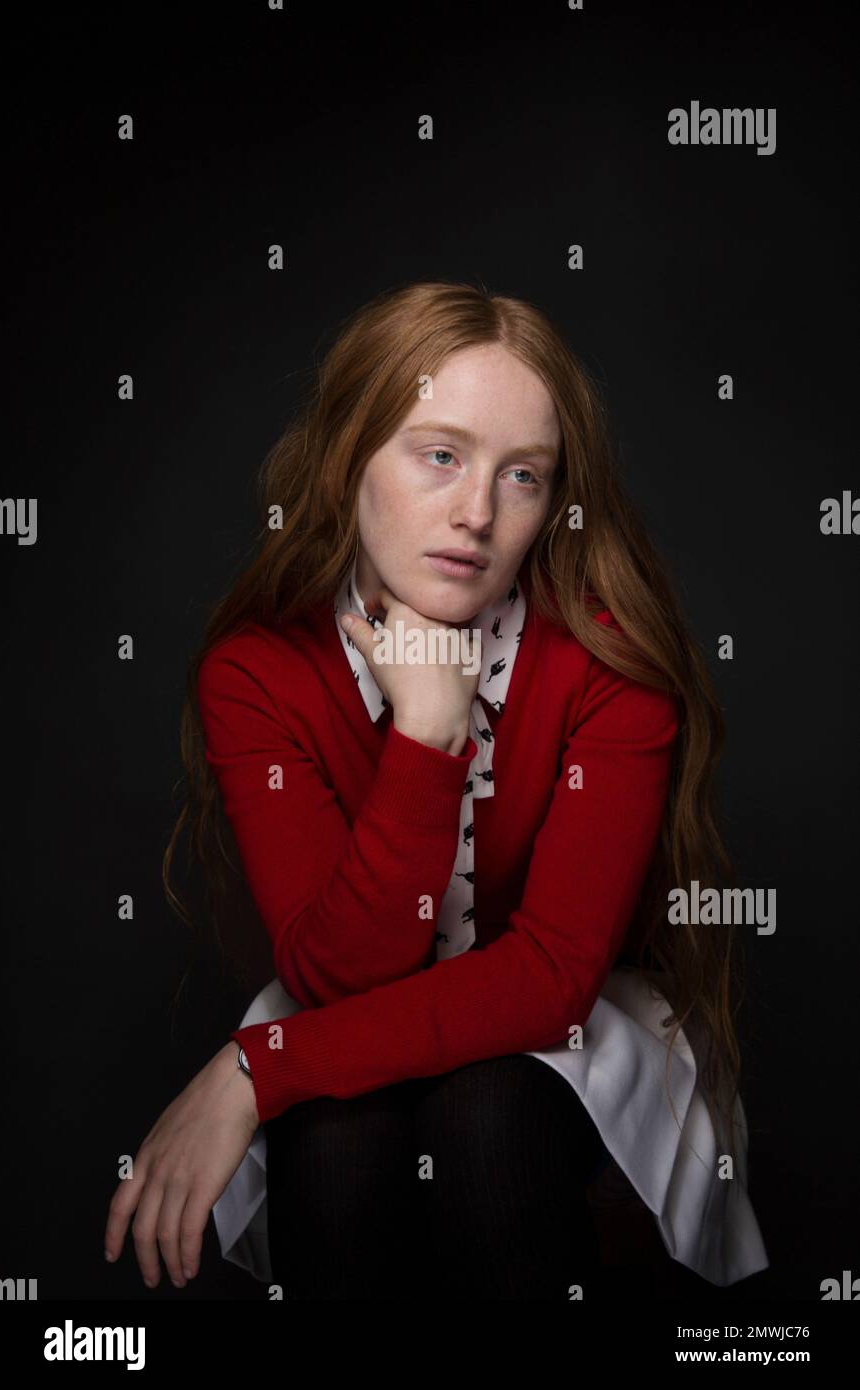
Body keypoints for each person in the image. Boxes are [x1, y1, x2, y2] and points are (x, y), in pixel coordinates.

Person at [104, 279, 769, 1299]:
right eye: (440, 455)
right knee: (337, 1134)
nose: (475, 514)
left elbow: (546, 977)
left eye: (523, 476)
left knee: (483, 1114)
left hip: (562, 1034)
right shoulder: (259, 669)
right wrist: (425, 732)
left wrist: (253, 1066)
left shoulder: (607, 665)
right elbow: (337, 973)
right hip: (341, 1011)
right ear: (344, 461)